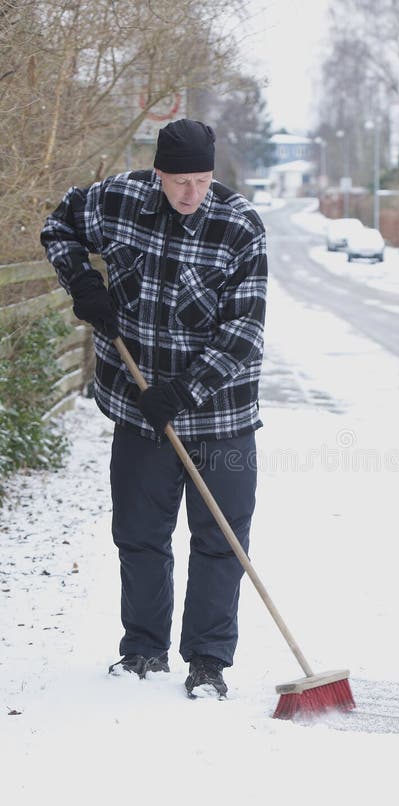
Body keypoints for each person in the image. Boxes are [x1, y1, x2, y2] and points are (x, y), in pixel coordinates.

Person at [40, 119, 267, 698]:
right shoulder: (117, 200)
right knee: (140, 534)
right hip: (138, 407)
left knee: (220, 540)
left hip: (220, 413)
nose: (192, 194)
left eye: (203, 181)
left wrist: (184, 391)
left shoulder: (239, 226)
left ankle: (209, 661)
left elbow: (244, 332)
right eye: (180, 181)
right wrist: (83, 283)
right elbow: (59, 225)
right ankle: (143, 649)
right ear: (158, 173)